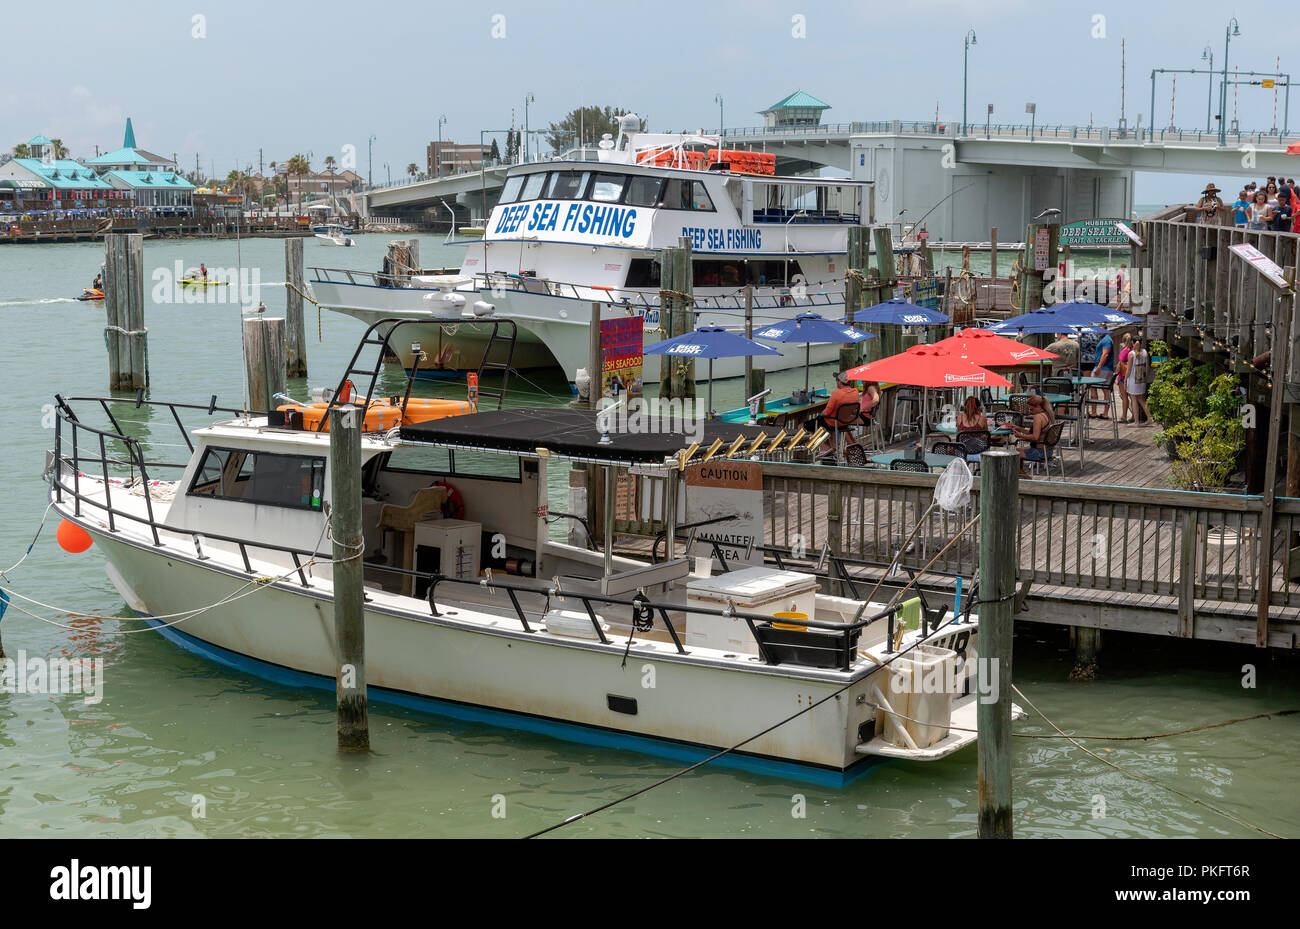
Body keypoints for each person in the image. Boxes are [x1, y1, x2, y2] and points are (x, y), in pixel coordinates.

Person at [1012, 394, 1054, 477]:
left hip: (1040, 452)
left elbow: (1035, 437)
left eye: (1031, 408)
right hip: (1047, 450)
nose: (1030, 410)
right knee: (1017, 450)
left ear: (1039, 406)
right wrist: (1019, 428)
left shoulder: (1038, 417)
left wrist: (1020, 435)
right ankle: (1022, 475)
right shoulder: (1047, 414)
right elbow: (1035, 433)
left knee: (1013, 453)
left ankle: (1024, 476)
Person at [1126, 337, 1153, 425]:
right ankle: (1149, 418)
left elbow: (1129, 369)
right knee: (1141, 399)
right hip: (1142, 379)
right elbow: (1148, 367)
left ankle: (1136, 421)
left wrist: (1125, 379)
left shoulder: (1131, 354)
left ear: (1132, 343)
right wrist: (1146, 377)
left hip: (1133, 380)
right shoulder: (1145, 352)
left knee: (1133, 399)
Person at [1088, 329, 1115, 417]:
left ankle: (1094, 412)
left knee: (1092, 387)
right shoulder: (1105, 339)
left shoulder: (1106, 340)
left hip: (1103, 368)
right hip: (1106, 368)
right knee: (1105, 390)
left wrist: (1099, 367)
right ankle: (1105, 413)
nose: (1098, 332)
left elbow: (1105, 354)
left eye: (1101, 330)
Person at [1115, 333, 1133, 423]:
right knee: (1132, 396)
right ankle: (1134, 415)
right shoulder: (1134, 349)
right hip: (1132, 375)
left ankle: (1124, 416)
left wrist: (1116, 374)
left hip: (1123, 376)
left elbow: (1120, 364)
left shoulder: (1124, 350)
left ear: (1123, 341)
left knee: (1124, 396)